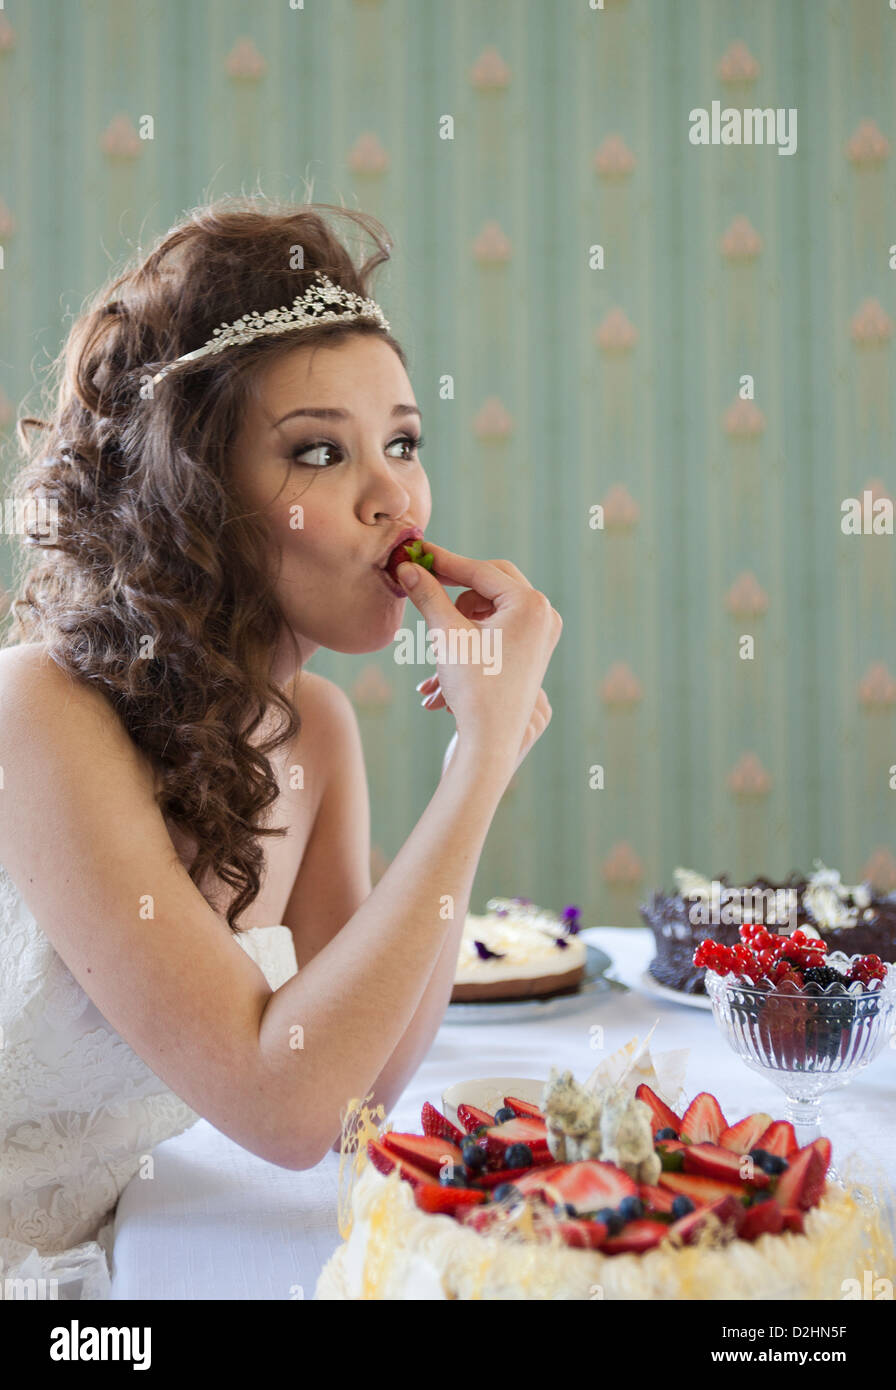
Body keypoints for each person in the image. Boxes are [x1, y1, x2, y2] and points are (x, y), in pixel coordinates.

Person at [0, 195, 561, 1297]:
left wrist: (473, 772)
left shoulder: (320, 737)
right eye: (319, 452)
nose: (391, 494)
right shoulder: (38, 713)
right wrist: (482, 759)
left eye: (402, 441)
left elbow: (358, 1089)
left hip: (117, 1261)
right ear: (193, 492)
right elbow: (283, 1108)